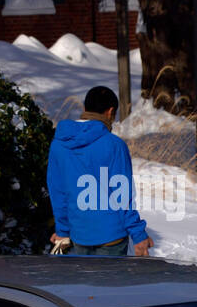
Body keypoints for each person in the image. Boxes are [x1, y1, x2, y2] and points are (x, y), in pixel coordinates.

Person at [47, 86, 153, 257]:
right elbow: (123, 195)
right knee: (109, 284)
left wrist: (62, 230)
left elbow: (58, 193)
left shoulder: (59, 144)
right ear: (110, 112)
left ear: (84, 108)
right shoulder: (114, 145)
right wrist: (138, 234)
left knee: (83, 283)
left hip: (79, 235)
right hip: (112, 236)